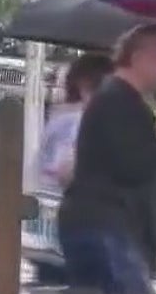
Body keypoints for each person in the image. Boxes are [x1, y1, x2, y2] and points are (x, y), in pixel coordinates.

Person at [58, 23, 156, 294]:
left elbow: (130, 157)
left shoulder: (118, 101)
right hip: (105, 227)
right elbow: (133, 167)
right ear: (138, 58)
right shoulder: (118, 101)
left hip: (93, 225)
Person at [35, 53, 114, 194]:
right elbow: (66, 171)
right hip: (64, 200)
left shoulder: (61, 117)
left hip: (44, 195)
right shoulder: (79, 121)